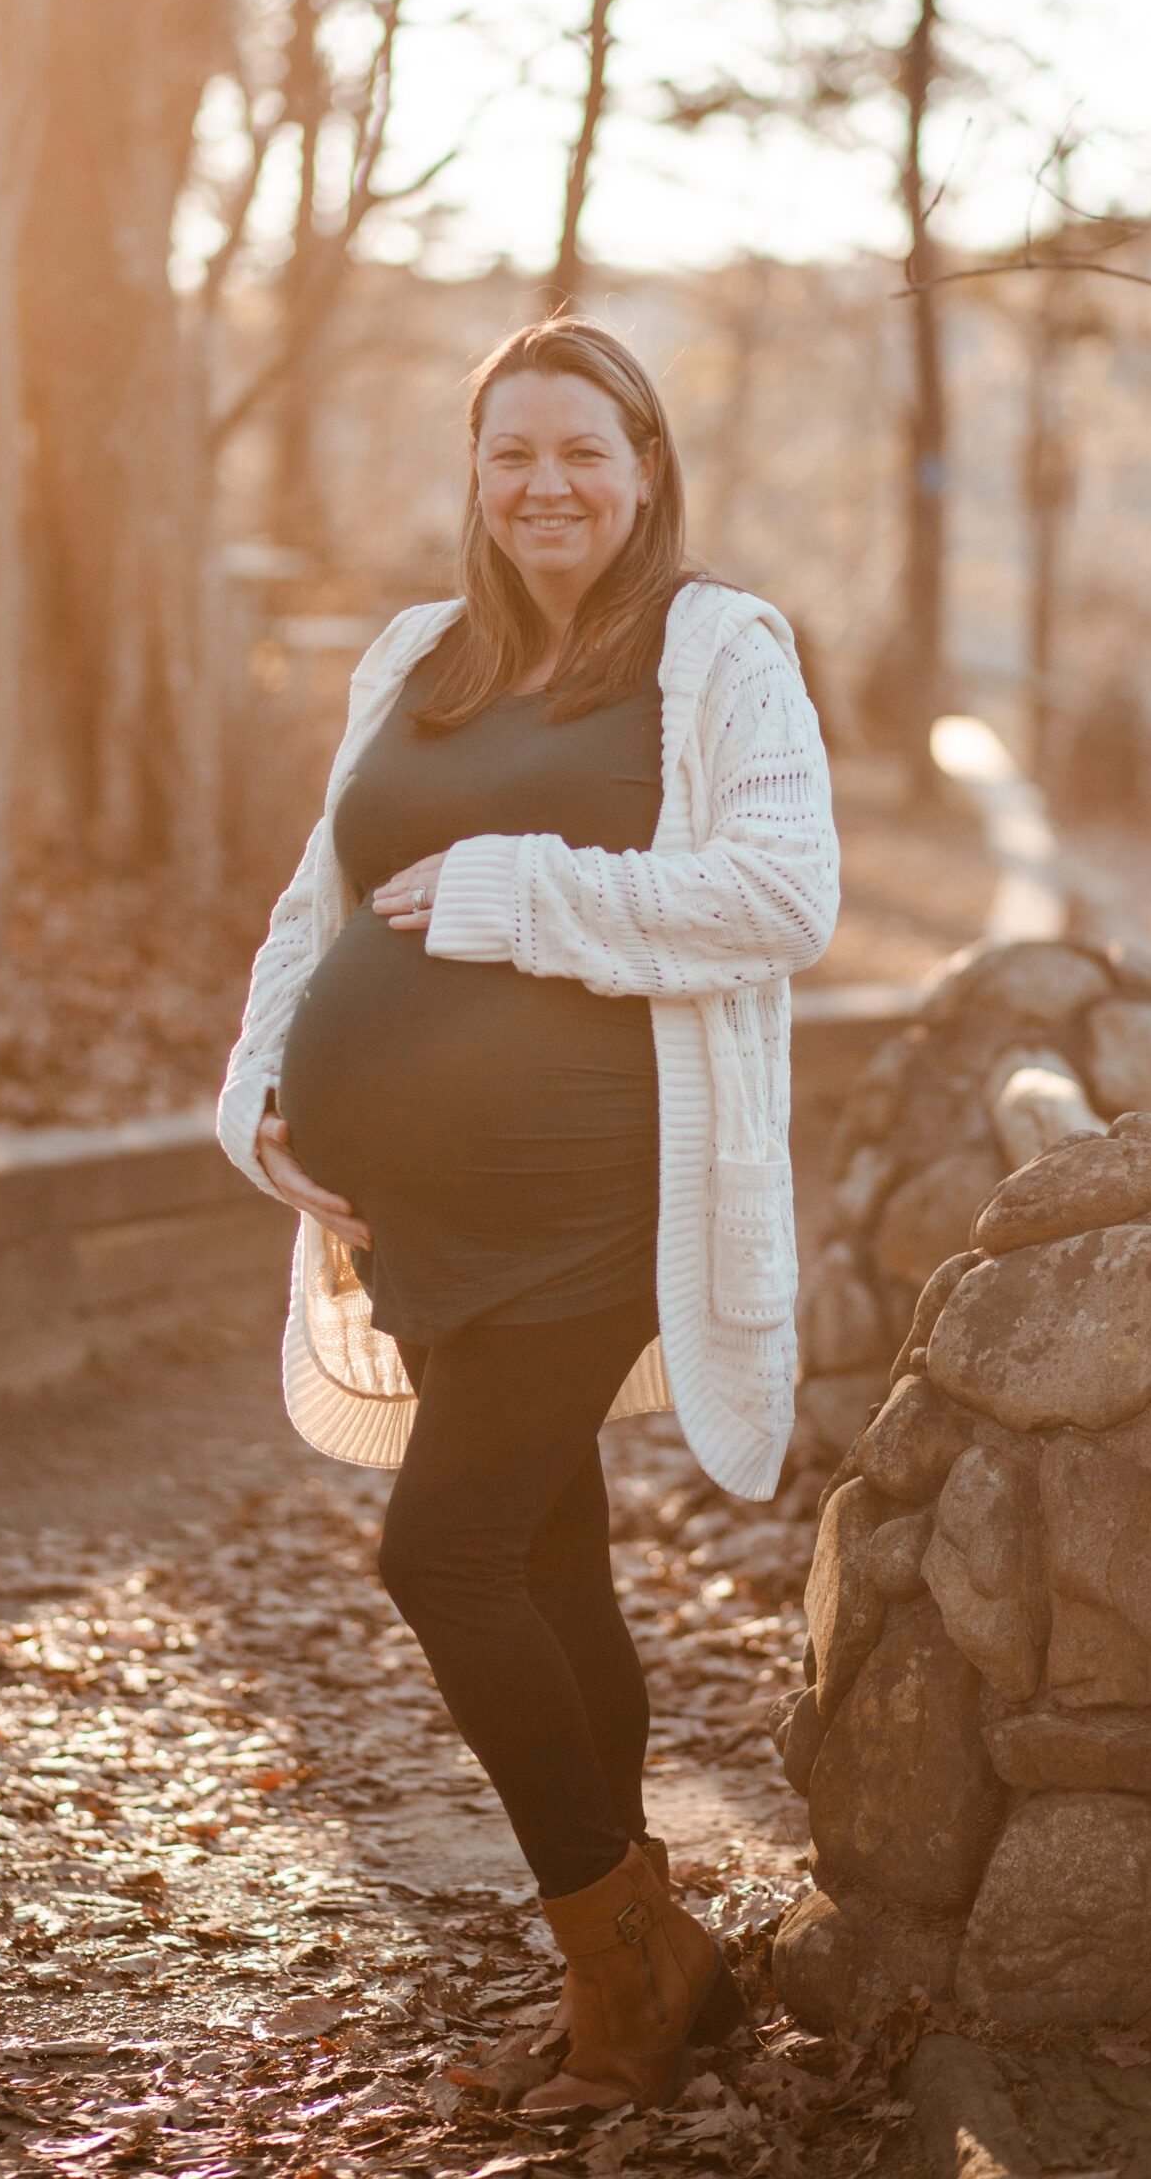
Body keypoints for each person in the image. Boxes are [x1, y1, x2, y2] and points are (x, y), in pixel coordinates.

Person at [218, 319, 838, 2111]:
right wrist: (261, 1099)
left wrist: (510, 888)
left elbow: (785, 894)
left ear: (644, 469)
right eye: (512, 455)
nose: (546, 485)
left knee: (446, 1552)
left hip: (595, 1202)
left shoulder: (718, 649)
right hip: (418, 1214)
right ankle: (648, 1964)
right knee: (547, 1557)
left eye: (584, 451)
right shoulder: (420, 654)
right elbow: (313, 902)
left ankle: (625, 1979)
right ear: (473, 478)